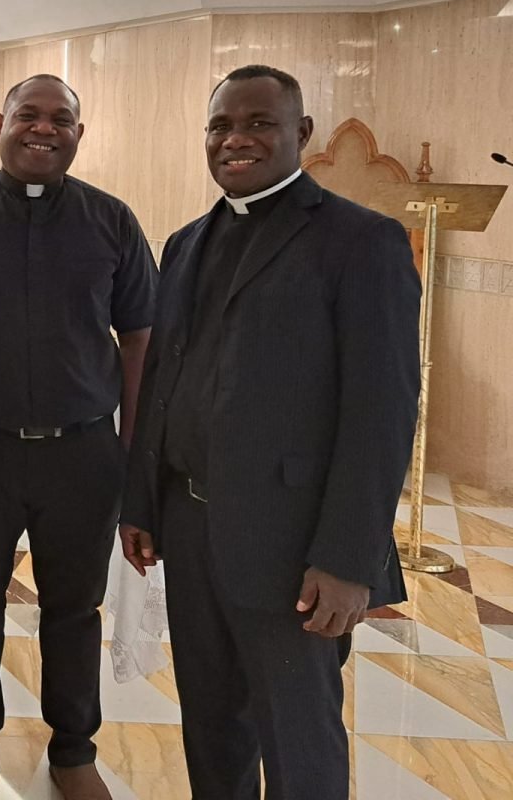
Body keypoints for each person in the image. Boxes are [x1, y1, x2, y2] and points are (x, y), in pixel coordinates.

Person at [120, 65, 419, 799]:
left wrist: (349, 560)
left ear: (302, 134)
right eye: (221, 126)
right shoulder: (186, 243)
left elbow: (382, 413)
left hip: (293, 546)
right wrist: (141, 503)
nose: (236, 140)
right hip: (191, 531)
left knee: (297, 735)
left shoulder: (360, 242)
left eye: (258, 123)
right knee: (211, 724)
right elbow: (161, 384)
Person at [0, 74, 156, 800]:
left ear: (80, 134)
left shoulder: (112, 221)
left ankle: (74, 749)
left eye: (60, 119)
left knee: (74, 611)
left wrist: (135, 450)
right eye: (29, 114)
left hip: (82, 453)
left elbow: (141, 336)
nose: (42, 128)